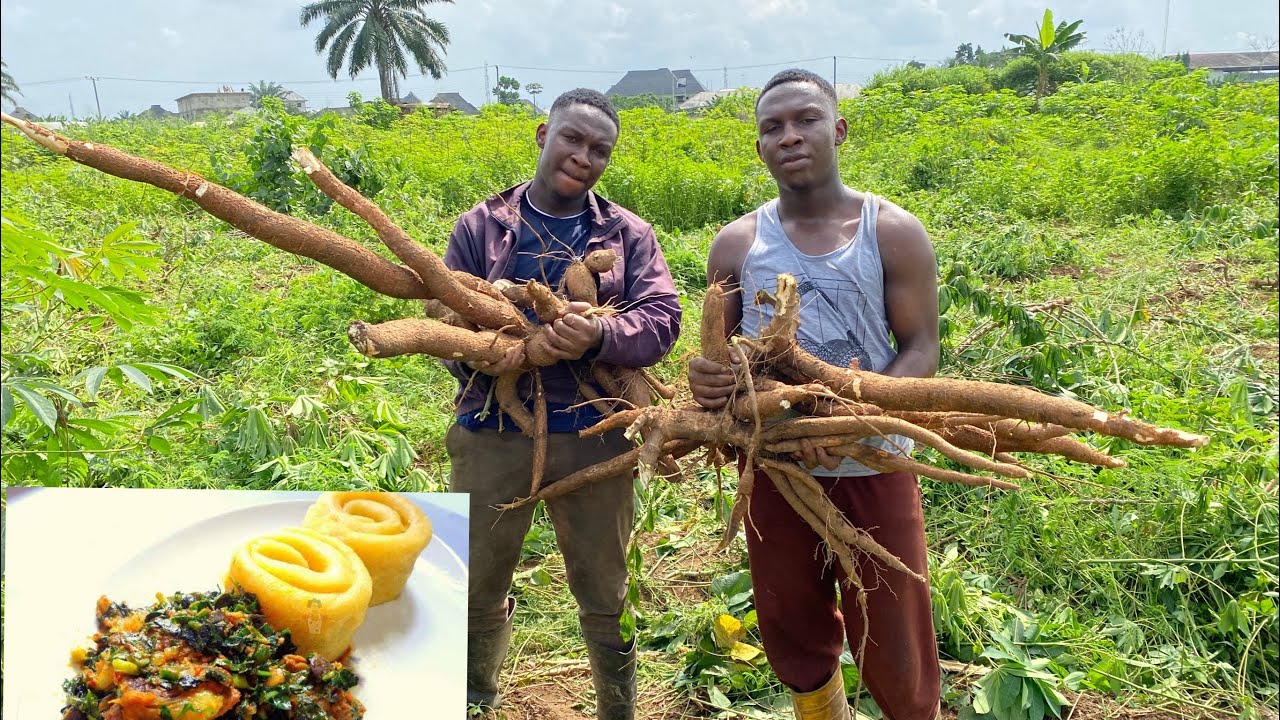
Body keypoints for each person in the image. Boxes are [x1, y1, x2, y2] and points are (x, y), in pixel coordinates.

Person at [687, 69, 942, 720]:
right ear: (759, 148)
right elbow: (721, 356)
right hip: (773, 464)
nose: (789, 135)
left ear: (839, 129)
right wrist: (709, 379)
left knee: (893, 618)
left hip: (873, 457)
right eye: (772, 127)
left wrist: (858, 415)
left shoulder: (893, 230)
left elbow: (920, 350)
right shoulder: (737, 243)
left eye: (804, 119)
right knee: (787, 613)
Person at [442, 88, 682, 719]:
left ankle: (616, 709)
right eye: (573, 139)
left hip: (598, 430)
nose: (584, 155)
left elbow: (662, 322)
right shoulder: (480, 226)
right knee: (477, 583)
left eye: (600, 149)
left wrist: (601, 332)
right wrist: (503, 350)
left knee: (607, 589)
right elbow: (443, 319)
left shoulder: (627, 234)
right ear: (543, 133)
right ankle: (474, 698)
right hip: (492, 427)